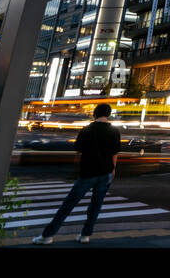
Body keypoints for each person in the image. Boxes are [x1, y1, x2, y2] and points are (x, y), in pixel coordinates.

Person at [33, 103, 123, 244]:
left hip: (87, 173)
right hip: (105, 174)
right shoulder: (114, 131)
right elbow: (115, 154)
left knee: (68, 204)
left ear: (95, 113)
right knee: (95, 206)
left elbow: (78, 153)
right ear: (109, 114)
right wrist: (113, 170)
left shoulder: (87, 130)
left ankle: (47, 236)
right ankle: (85, 235)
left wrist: (77, 168)